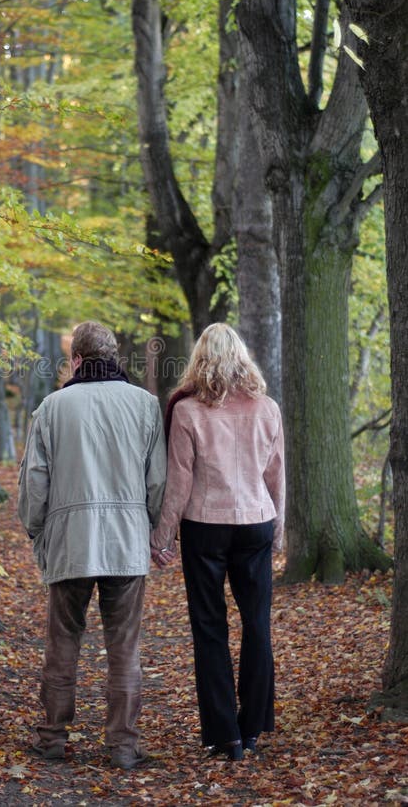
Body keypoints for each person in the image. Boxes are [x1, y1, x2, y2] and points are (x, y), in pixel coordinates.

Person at [18, 321, 166, 770]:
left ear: (77, 360)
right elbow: (157, 481)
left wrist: (36, 531)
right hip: (126, 541)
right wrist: (153, 530)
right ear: (115, 358)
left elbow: (34, 481)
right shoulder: (145, 405)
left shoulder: (52, 407)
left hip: (70, 542)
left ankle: (53, 740)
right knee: (124, 646)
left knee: (63, 639)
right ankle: (122, 745)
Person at [150, 323, 285, 761]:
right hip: (255, 522)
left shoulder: (188, 411)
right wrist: (279, 525)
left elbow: (180, 481)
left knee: (210, 627)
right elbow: (275, 474)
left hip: (206, 525)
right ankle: (252, 729)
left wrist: (163, 534)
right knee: (257, 623)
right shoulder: (266, 408)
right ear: (242, 357)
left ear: (199, 359)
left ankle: (224, 733)